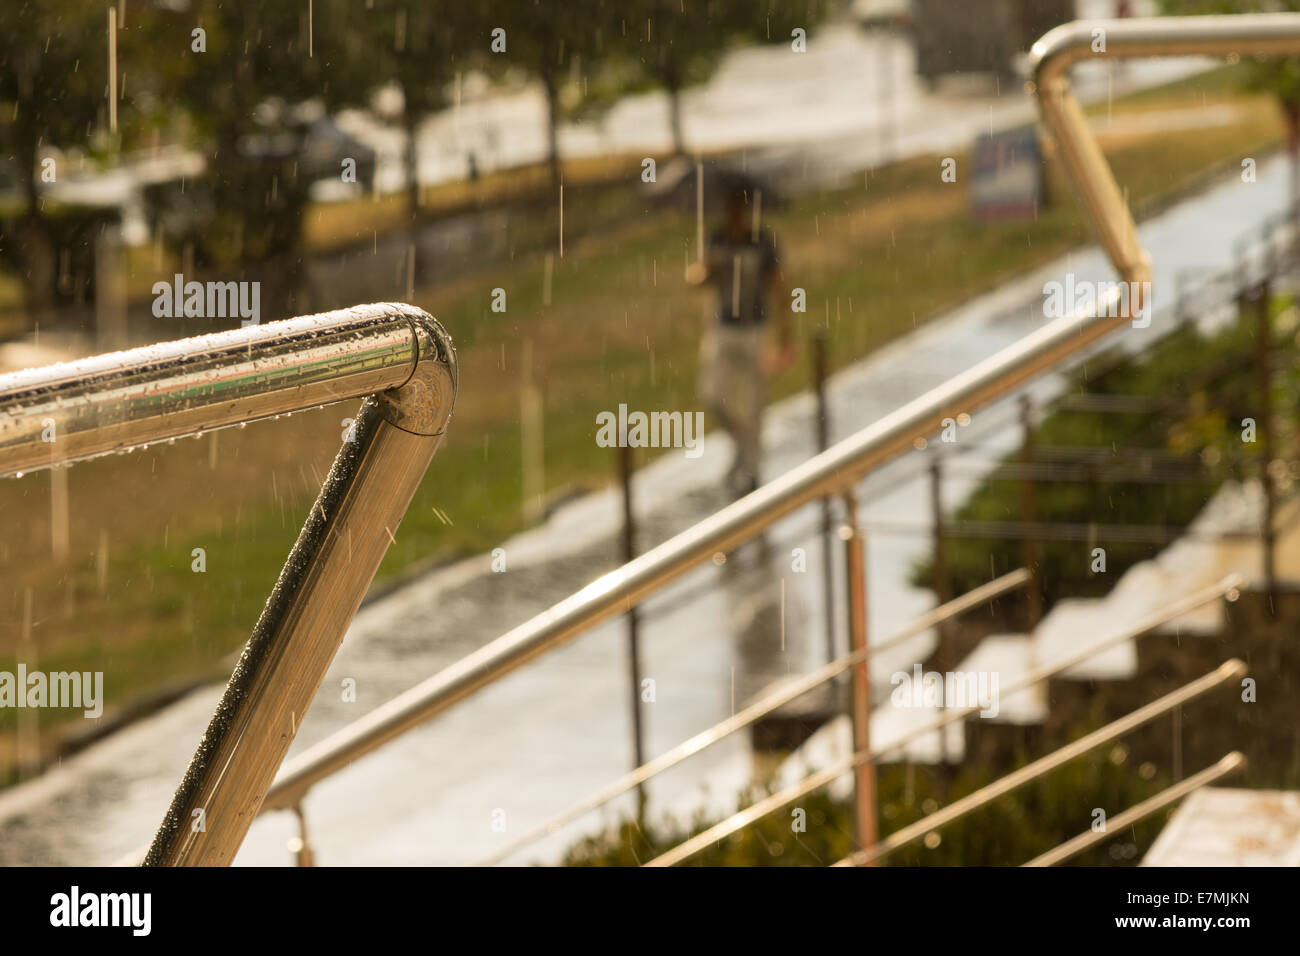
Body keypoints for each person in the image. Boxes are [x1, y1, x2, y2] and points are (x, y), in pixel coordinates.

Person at [685, 185, 795, 497]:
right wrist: (707, 267)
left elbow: (780, 286)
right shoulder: (716, 240)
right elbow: (696, 278)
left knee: (754, 400)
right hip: (723, 328)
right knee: (712, 393)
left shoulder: (763, 242)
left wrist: (786, 333)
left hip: (755, 329)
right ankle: (742, 446)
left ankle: (753, 466)